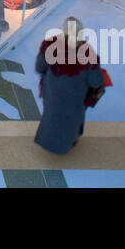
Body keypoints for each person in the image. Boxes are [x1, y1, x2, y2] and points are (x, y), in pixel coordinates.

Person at [34, 17, 104, 154]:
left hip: (52, 93)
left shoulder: (49, 45)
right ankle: (69, 140)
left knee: (52, 115)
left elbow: (39, 67)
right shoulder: (88, 54)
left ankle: (47, 138)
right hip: (75, 97)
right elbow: (96, 81)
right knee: (71, 120)